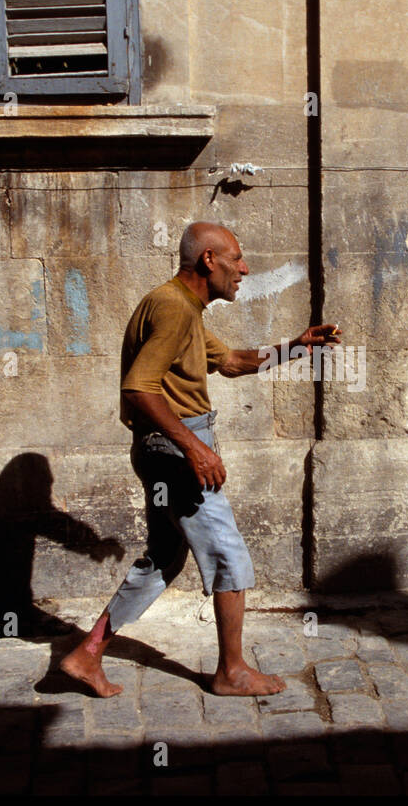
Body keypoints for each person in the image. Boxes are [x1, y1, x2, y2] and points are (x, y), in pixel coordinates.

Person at [61, 222, 340, 697]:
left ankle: (87, 655)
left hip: (164, 449)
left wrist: (296, 347)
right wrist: (195, 448)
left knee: (164, 560)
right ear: (209, 260)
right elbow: (139, 387)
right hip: (174, 450)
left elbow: (231, 362)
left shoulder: (182, 308)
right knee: (230, 558)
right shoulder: (172, 309)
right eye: (237, 258)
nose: (244, 268)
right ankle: (231, 672)